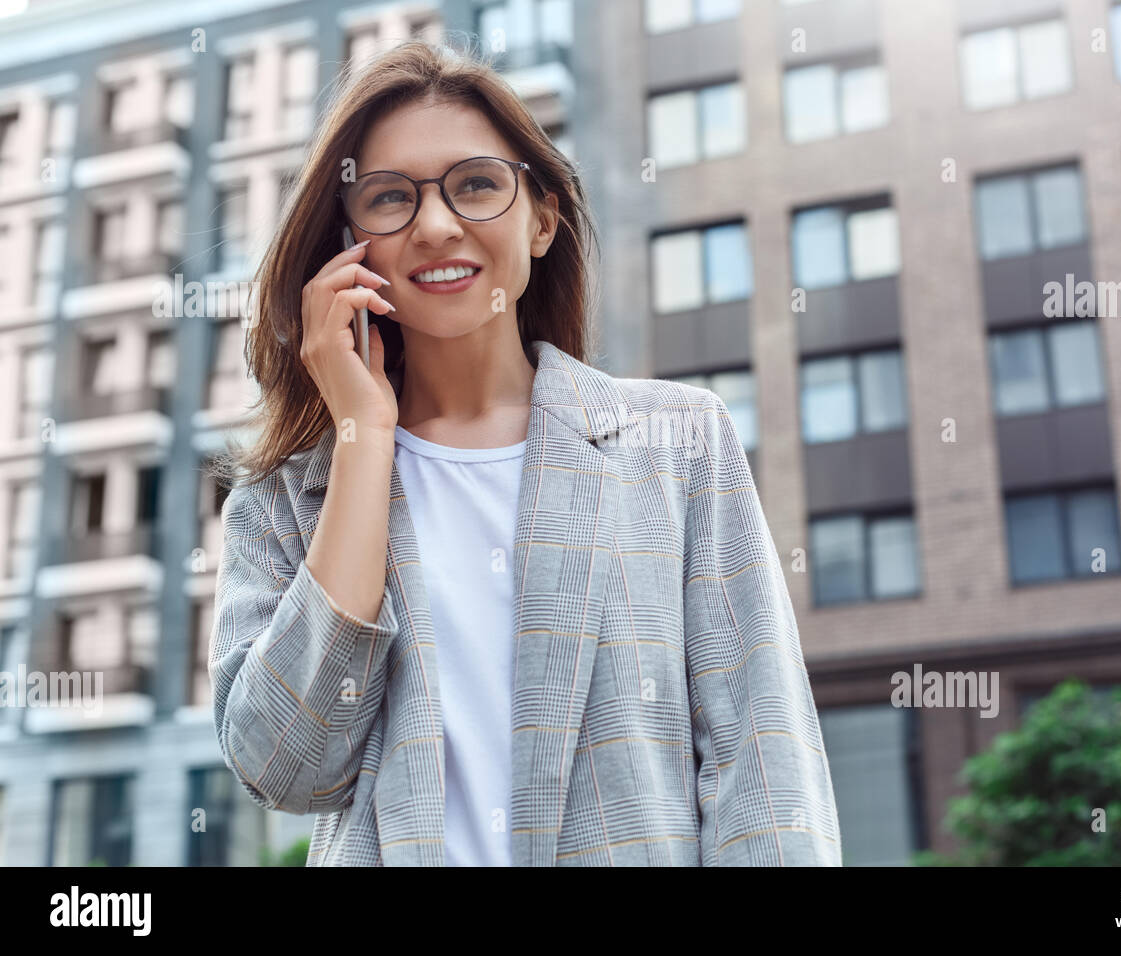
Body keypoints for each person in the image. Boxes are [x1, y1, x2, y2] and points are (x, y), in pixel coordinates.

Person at [207, 39, 842, 866]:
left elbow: (762, 764)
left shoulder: (680, 442)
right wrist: (362, 437)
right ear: (346, 244)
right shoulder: (283, 500)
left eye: (475, 185)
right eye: (391, 198)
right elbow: (285, 766)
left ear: (541, 219)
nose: (436, 227)